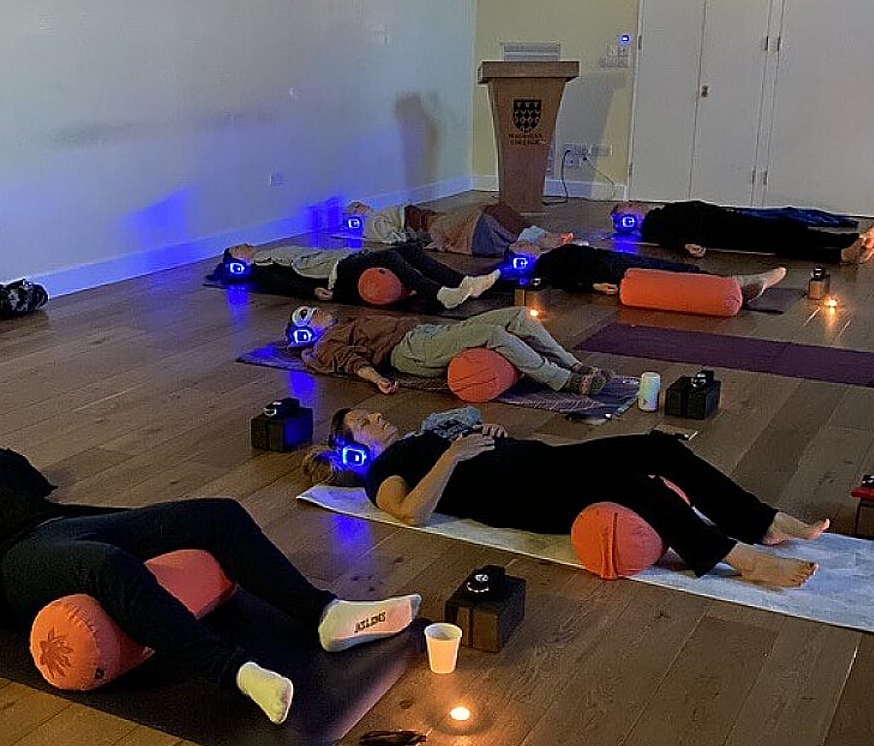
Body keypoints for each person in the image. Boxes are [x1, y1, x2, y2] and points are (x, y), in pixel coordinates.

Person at [0, 464, 421, 724]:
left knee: (217, 514)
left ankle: (324, 614)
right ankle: (236, 673)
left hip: (62, 521)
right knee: (104, 567)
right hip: (11, 567)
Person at [309, 408, 825, 588]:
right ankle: (740, 558)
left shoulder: (421, 436)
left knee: (657, 447)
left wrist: (486, 434)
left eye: (371, 414)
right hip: (522, 496)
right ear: (354, 449)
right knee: (632, 487)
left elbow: (475, 444)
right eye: (363, 423)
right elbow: (412, 514)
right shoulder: (386, 471)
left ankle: (761, 521)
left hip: (541, 461)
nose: (376, 418)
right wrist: (454, 456)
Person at [287, 305, 613, 396]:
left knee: (517, 314)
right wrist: (377, 380)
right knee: (491, 333)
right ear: (307, 329)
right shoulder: (326, 343)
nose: (316, 310)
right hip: (411, 349)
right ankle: (561, 380)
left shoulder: (345, 322)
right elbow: (350, 362)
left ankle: (573, 365)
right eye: (309, 313)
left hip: (425, 332)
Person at [219, 241, 499, 310]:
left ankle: (465, 282)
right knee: (390, 257)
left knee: (409, 250)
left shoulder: (273, 250)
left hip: (342, 261)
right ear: (237, 259)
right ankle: (440, 294)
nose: (244, 244)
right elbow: (281, 282)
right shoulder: (261, 266)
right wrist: (311, 293)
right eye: (237, 248)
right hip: (336, 276)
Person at [612, 200, 874, 264]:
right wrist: (685, 247)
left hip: (728, 220)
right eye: (627, 208)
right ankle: (841, 254)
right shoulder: (653, 224)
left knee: (789, 228)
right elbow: (665, 238)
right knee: (782, 238)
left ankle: (853, 240)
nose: (634, 205)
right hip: (726, 230)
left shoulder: (661, 213)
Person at [510, 240, 789, 300]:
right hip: (609, 270)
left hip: (612, 260)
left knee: (672, 270)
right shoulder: (546, 264)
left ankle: (735, 284)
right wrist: (592, 285)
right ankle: (739, 282)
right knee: (670, 275)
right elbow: (562, 280)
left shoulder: (555, 251)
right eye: (522, 246)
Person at [345, 200, 571, 257]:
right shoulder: (370, 222)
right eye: (357, 208)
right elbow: (393, 237)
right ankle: (538, 239)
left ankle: (539, 237)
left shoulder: (380, 214)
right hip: (432, 226)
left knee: (495, 212)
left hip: (432, 220)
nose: (361, 206)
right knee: (488, 216)